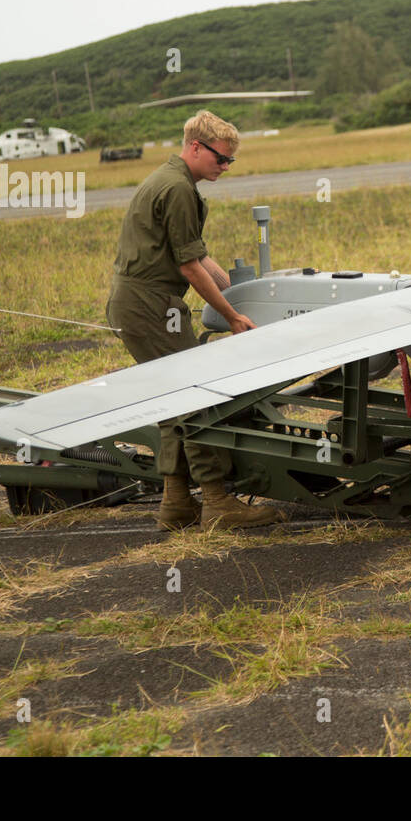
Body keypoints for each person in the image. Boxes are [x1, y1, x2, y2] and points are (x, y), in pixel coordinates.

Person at [106, 110, 281, 531]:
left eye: (230, 162)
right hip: (149, 305)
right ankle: (217, 501)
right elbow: (189, 267)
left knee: (176, 401)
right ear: (196, 147)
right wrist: (232, 315)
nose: (225, 167)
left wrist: (241, 288)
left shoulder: (173, 181)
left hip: (147, 303)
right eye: (221, 159)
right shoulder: (178, 189)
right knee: (196, 396)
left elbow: (198, 256)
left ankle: (177, 503)